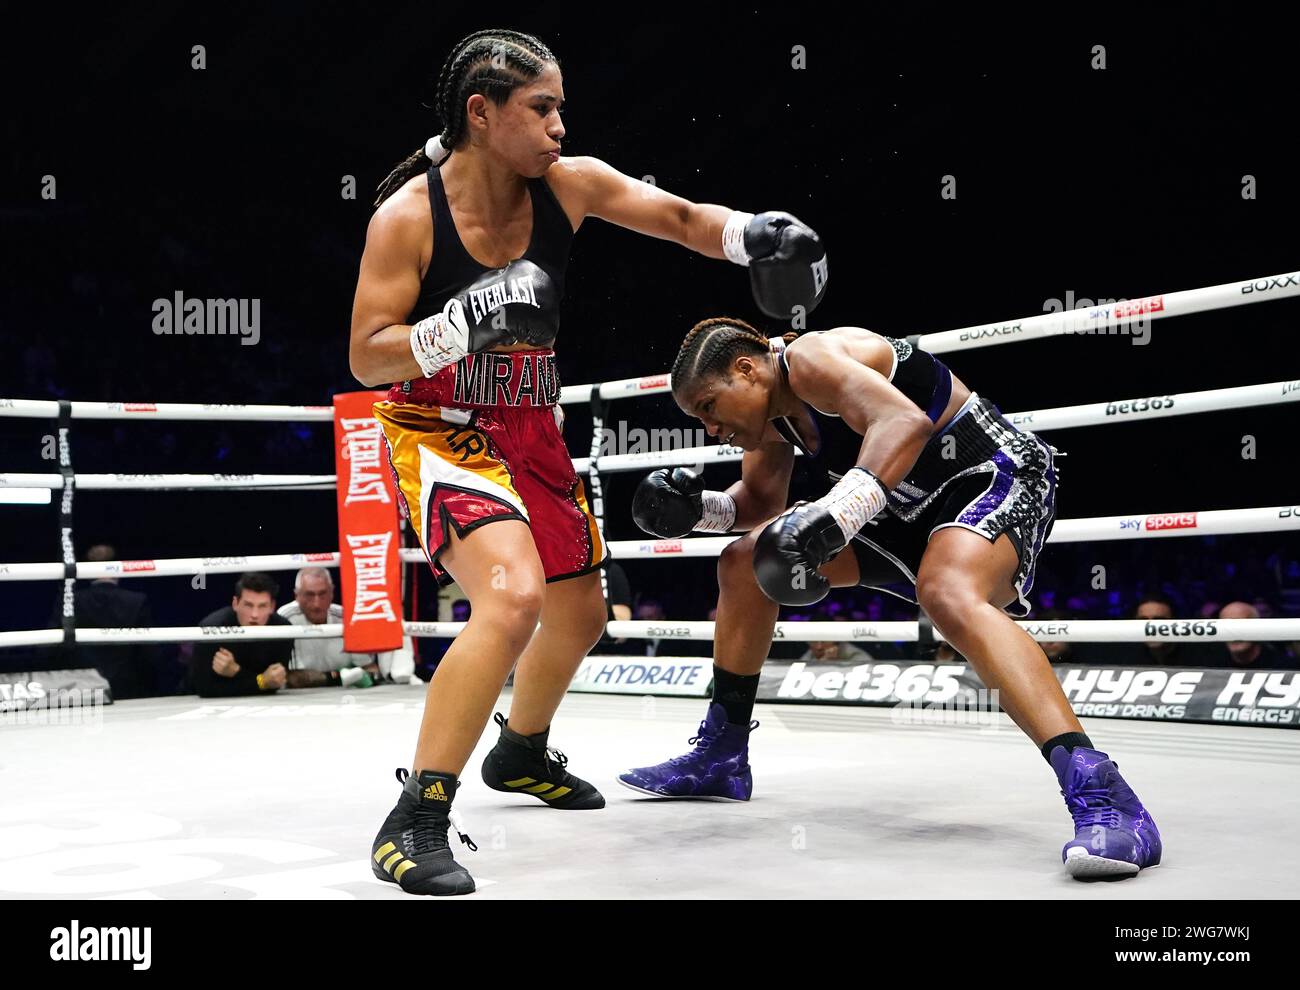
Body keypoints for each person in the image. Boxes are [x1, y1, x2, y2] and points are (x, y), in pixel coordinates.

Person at [349, 29, 829, 896]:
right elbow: (368, 355)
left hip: (531, 428)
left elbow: (681, 219)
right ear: (481, 113)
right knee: (511, 596)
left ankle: (520, 752)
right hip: (440, 427)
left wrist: (752, 236)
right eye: (542, 109)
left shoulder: (567, 188)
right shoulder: (408, 217)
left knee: (579, 614)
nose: (560, 127)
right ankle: (414, 817)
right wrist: (464, 321)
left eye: (561, 107)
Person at [623, 318, 1160, 879]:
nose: (710, 428)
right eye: (700, 419)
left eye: (710, 406)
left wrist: (835, 516)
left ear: (747, 369)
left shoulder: (811, 357)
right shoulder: (772, 417)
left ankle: (1107, 797)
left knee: (947, 592)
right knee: (742, 563)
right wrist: (697, 511)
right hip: (893, 509)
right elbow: (757, 501)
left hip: (983, 473)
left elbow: (903, 420)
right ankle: (722, 754)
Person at [189, 573, 293, 698]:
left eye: (262, 606)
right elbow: (204, 688)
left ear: (272, 607)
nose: (255, 614)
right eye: (248, 605)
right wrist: (261, 681)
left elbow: (274, 683)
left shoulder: (283, 630)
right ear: (235, 604)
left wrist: (237, 672)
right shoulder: (212, 629)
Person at [277, 567, 383, 688]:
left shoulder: (346, 618)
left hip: (346, 696)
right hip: (301, 697)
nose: (316, 603)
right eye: (309, 595)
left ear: (332, 592)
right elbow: (290, 678)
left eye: (322, 594)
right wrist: (340, 676)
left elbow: (370, 669)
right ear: (296, 595)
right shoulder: (286, 619)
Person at [1216, 601, 1289, 669]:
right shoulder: (1212, 665)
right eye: (1227, 626)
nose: (1234, 633)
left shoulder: (1284, 667)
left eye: (1241, 625)